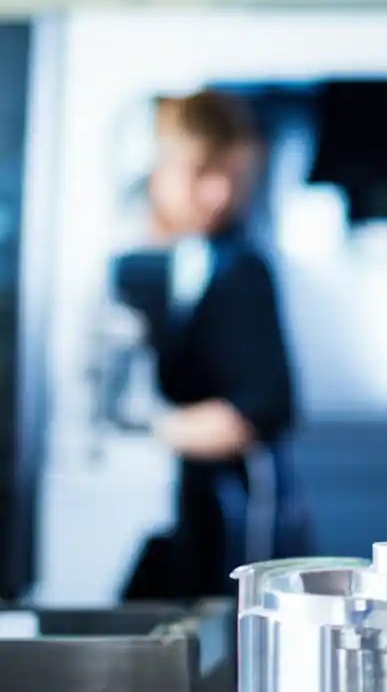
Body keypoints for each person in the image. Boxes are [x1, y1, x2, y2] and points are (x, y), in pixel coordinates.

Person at [118, 90, 308, 600]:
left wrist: (139, 432)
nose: (219, 194)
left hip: (225, 527)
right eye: (202, 172)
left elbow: (261, 410)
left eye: (234, 176)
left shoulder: (239, 268)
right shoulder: (153, 261)